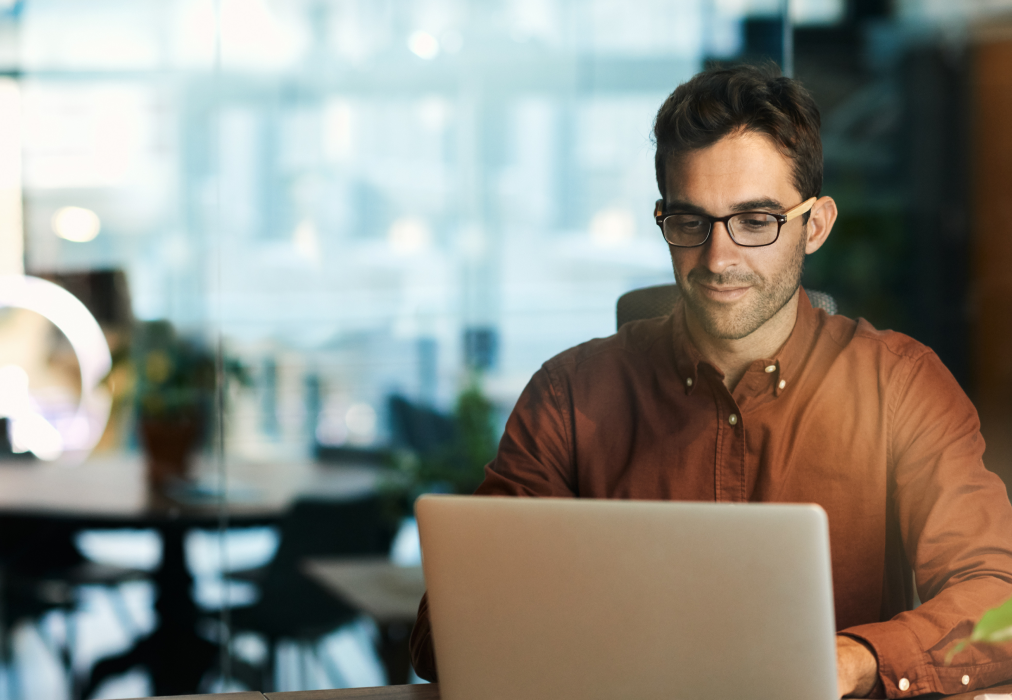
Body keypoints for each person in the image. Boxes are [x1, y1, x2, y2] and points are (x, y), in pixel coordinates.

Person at [408, 64, 1012, 698]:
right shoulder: (569, 395)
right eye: (691, 222)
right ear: (664, 220)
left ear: (815, 225)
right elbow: (446, 628)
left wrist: (855, 658)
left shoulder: (901, 385)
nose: (719, 259)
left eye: (756, 221)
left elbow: (998, 604)